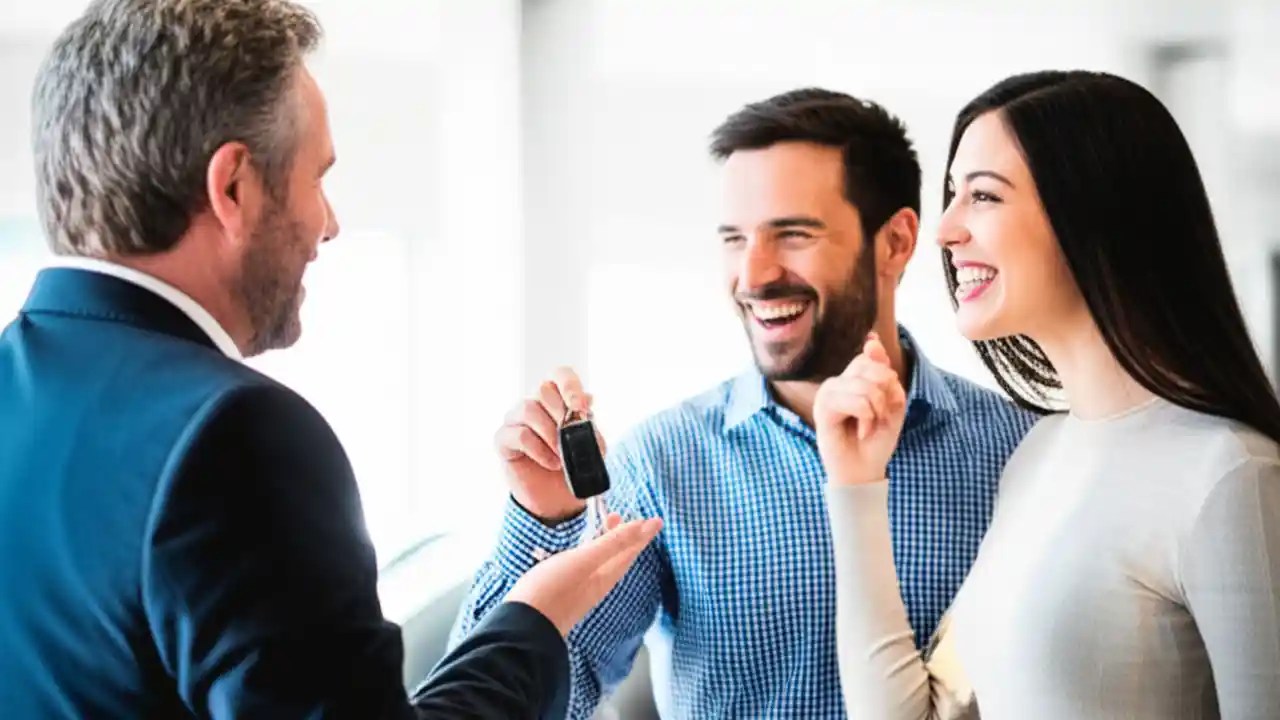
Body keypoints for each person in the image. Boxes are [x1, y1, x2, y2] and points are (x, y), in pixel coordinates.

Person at [0, 1, 660, 718]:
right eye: (317, 178)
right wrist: (535, 618)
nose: (330, 224)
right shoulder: (234, 435)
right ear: (233, 187)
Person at [449, 88, 1039, 718]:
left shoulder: (1020, 455)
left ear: (895, 242)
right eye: (734, 239)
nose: (754, 275)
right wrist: (540, 520)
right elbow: (509, 705)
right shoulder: (664, 464)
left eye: (793, 234)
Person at [820, 70, 1280, 719]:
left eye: (983, 196)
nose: (944, 230)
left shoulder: (1231, 474)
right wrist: (855, 485)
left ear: (1090, 215)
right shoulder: (1037, 455)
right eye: (953, 194)